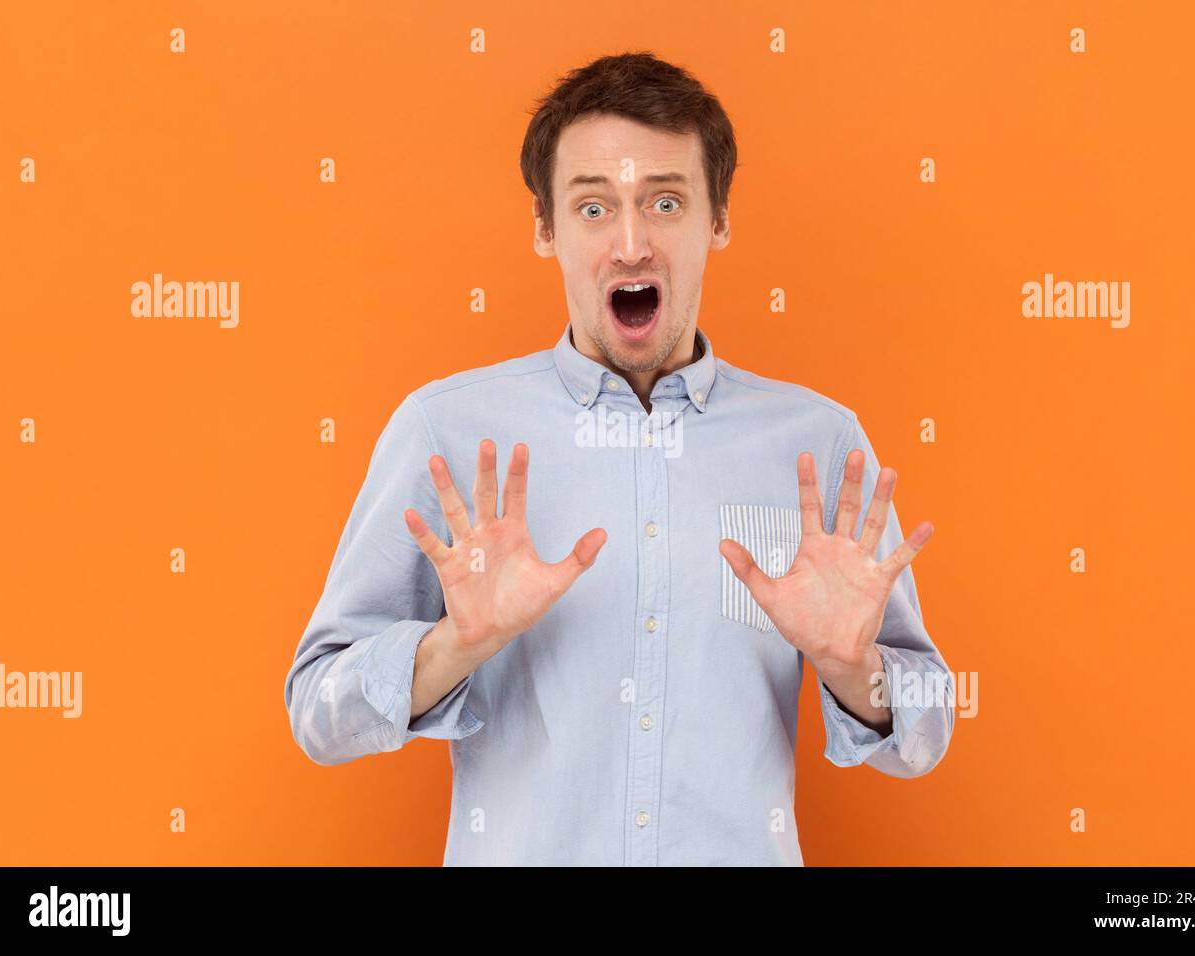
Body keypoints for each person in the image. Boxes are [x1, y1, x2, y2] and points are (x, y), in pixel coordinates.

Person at [284, 50, 955, 866]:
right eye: (594, 207)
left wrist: (854, 670)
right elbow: (316, 714)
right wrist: (455, 647)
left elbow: (922, 735)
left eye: (665, 202)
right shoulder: (444, 433)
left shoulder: (817, 447)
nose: (632, 243)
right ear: (547, 229)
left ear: (718, 221)